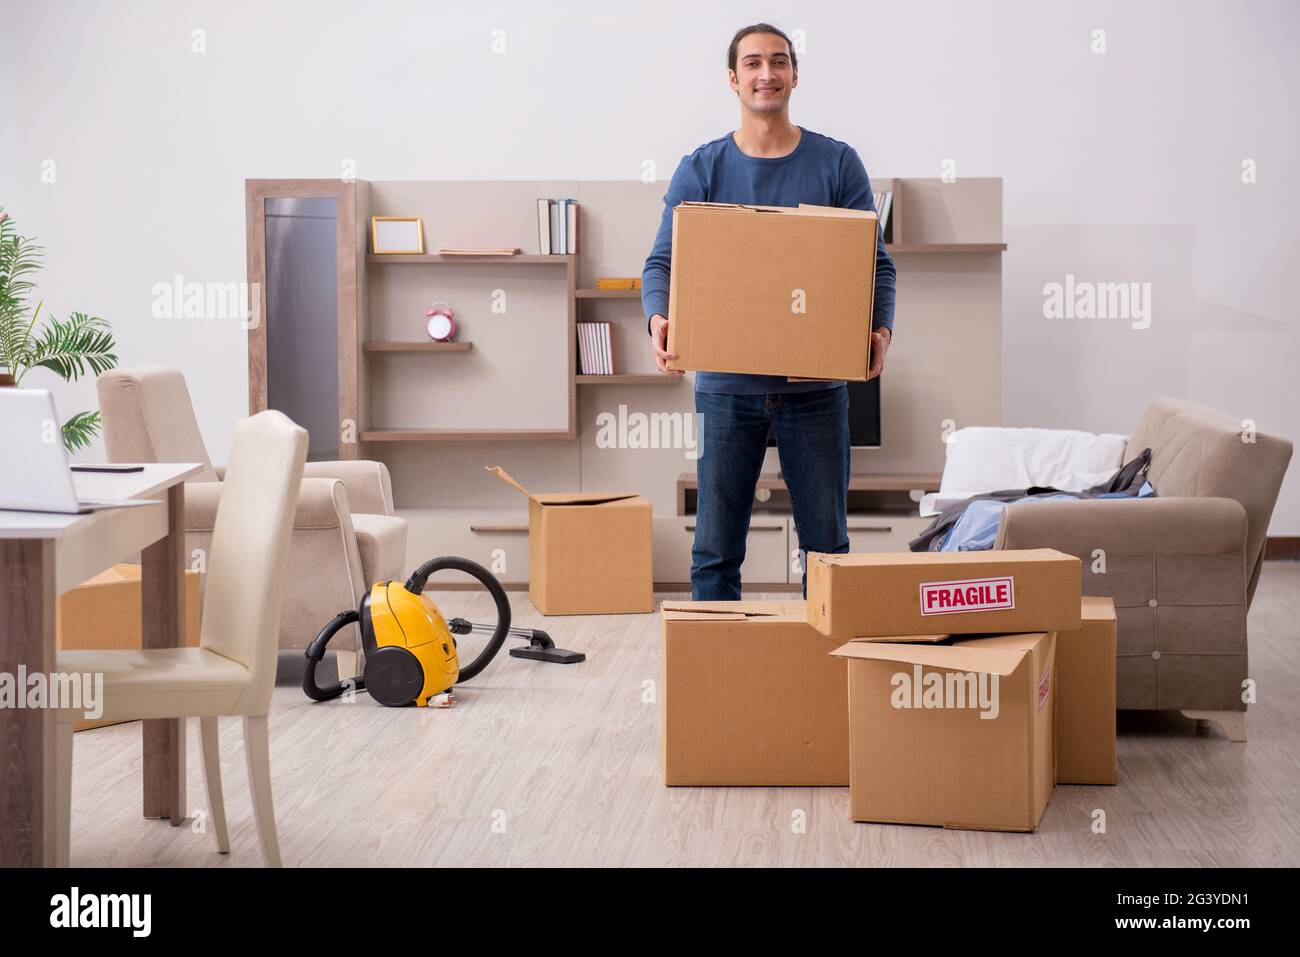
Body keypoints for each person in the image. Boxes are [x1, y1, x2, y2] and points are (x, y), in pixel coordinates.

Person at [641, 22, 897, 600]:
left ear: (795, 75)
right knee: (714, 552)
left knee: (827, 551)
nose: (767, 73)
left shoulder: (837, 163)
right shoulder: (701, 168)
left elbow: (875, 265)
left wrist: (880, 328)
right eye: (753, 63)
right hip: (727, 390)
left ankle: (822, 677)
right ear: (733, 79)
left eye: (779, 62)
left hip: (816, 390)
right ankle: (714, 678)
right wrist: (659, 319)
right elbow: (661, 265)